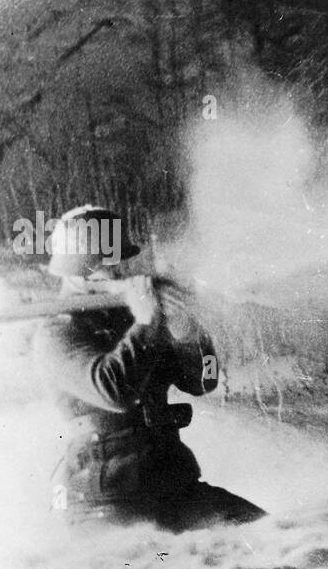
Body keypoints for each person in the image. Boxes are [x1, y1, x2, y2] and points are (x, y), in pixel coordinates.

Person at [33, 205, 266, 531]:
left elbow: (206, 380)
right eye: (105, 264)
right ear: (77, 270)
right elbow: (113, 391)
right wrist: (146, 323)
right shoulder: (57, 332)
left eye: (118, 262)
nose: (117, 272)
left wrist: (188, 331)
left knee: (270, 535)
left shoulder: (135, 315)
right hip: (108, 498)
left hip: (173, 483)